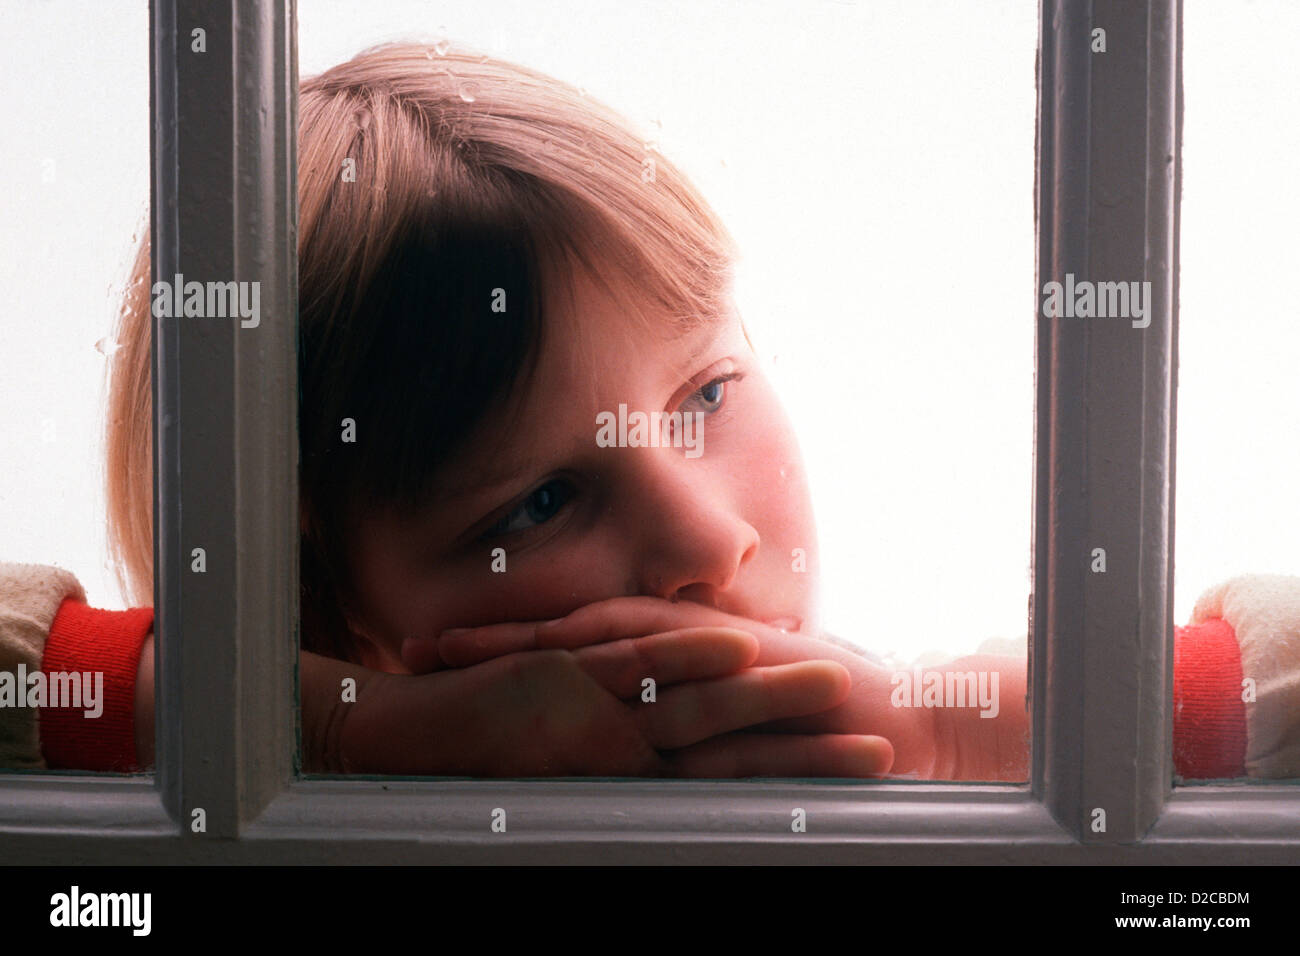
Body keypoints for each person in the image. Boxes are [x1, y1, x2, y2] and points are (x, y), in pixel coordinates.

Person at [3, 43, 1295, 781]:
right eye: (543, 499)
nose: (706, 539)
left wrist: (965, 723)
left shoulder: (929, 764)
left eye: (710, 393)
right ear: (332, 611)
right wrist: (358, 735)